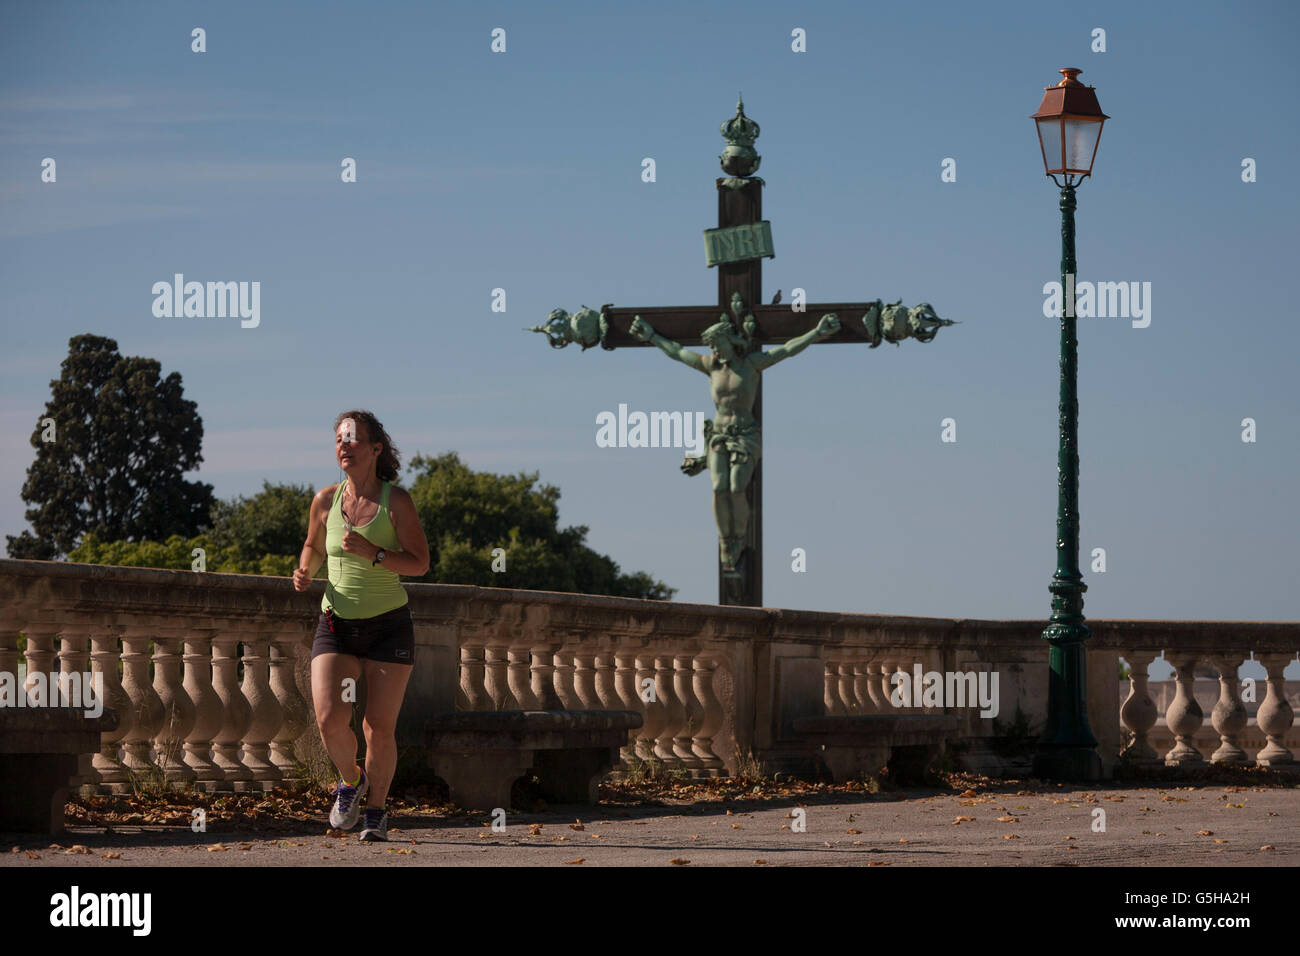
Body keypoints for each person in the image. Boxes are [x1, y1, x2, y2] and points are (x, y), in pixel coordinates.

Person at [292, 410, 430, 842]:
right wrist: (304, 570)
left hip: (389, 627)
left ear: (375, 449)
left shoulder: (397, 502)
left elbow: (420, 564)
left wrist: (375, 552)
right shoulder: (324, 500)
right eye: (339, 439)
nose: (344, 446)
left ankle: (376, 813)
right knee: (331, 718)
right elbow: (314, 545)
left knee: (377, 727)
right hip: (336, 624)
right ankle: (351, 781)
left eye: (353, 439)